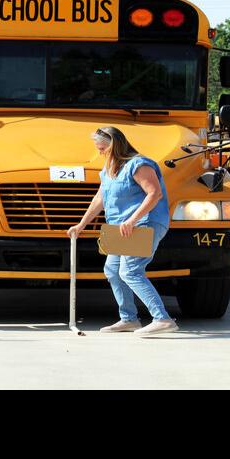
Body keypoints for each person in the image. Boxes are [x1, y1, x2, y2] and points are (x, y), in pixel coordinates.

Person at [69, 127, 178, 337]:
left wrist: (133, 219)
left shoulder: (138, 164)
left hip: (144, 223)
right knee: (112, 270)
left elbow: (154, 194)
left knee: (130, 271)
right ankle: (129, 318)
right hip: (121, 227)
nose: (100, 153)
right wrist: (81, 224)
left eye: (102, 148)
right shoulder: (109, 169)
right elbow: (99, 199)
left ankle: (162, 318)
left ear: (113, 146)